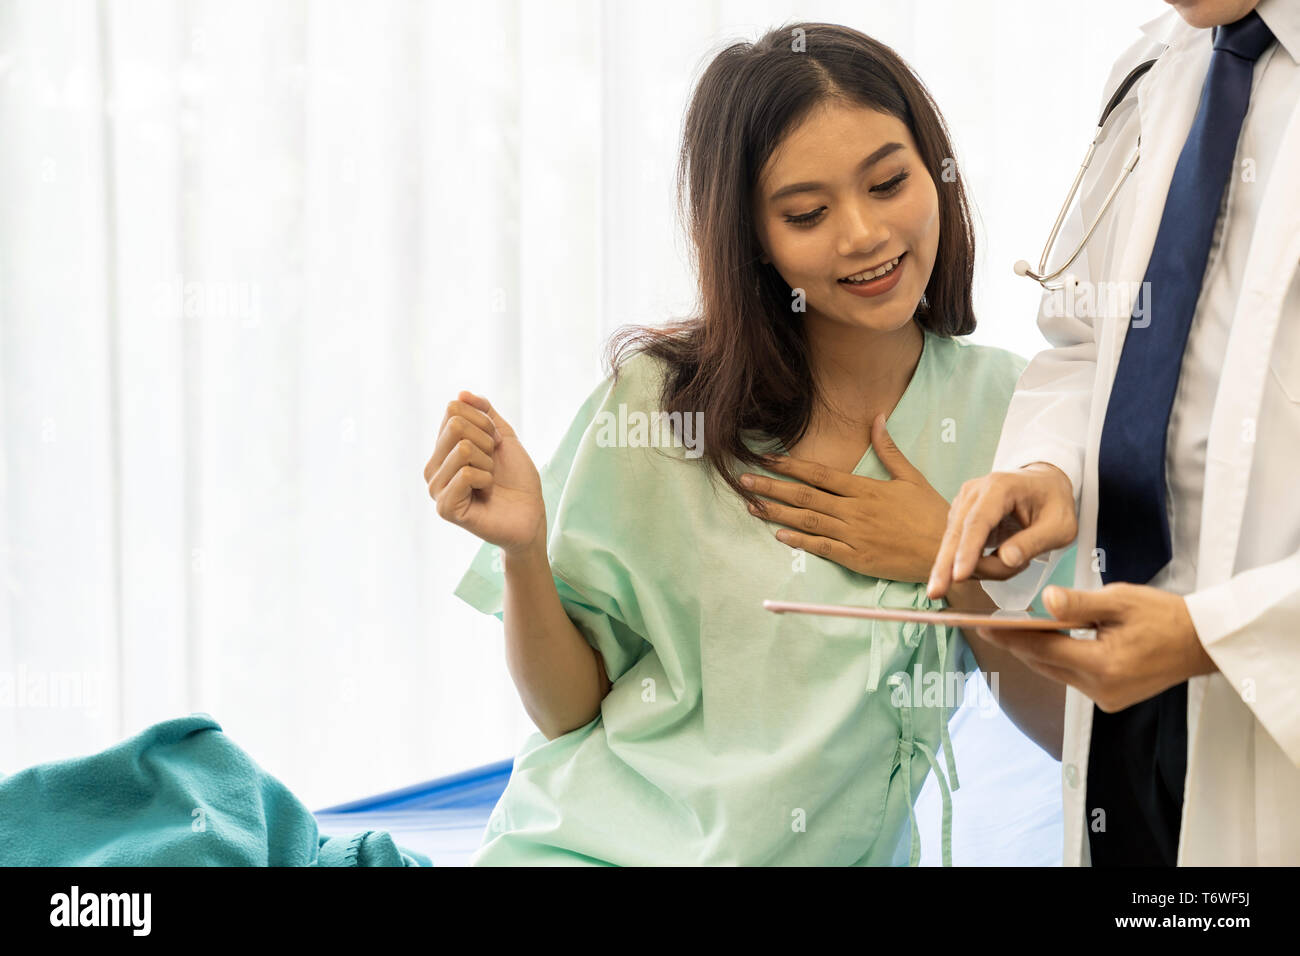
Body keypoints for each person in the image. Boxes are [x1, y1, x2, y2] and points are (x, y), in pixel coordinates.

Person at [427, 22, 1069, 866]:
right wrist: (524, 551)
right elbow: (568, 712)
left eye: (888, 183)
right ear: (753, 240)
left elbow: (1069, 728)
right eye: (807, 213)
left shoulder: (1017, 411)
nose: (864, 234)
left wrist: (943, 562)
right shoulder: (662, 401)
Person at [926, 0, 1300, 865]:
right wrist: (1048, 469)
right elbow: (1085, 340)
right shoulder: (1157, 70)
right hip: (1128, 679)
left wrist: (1220, 633)